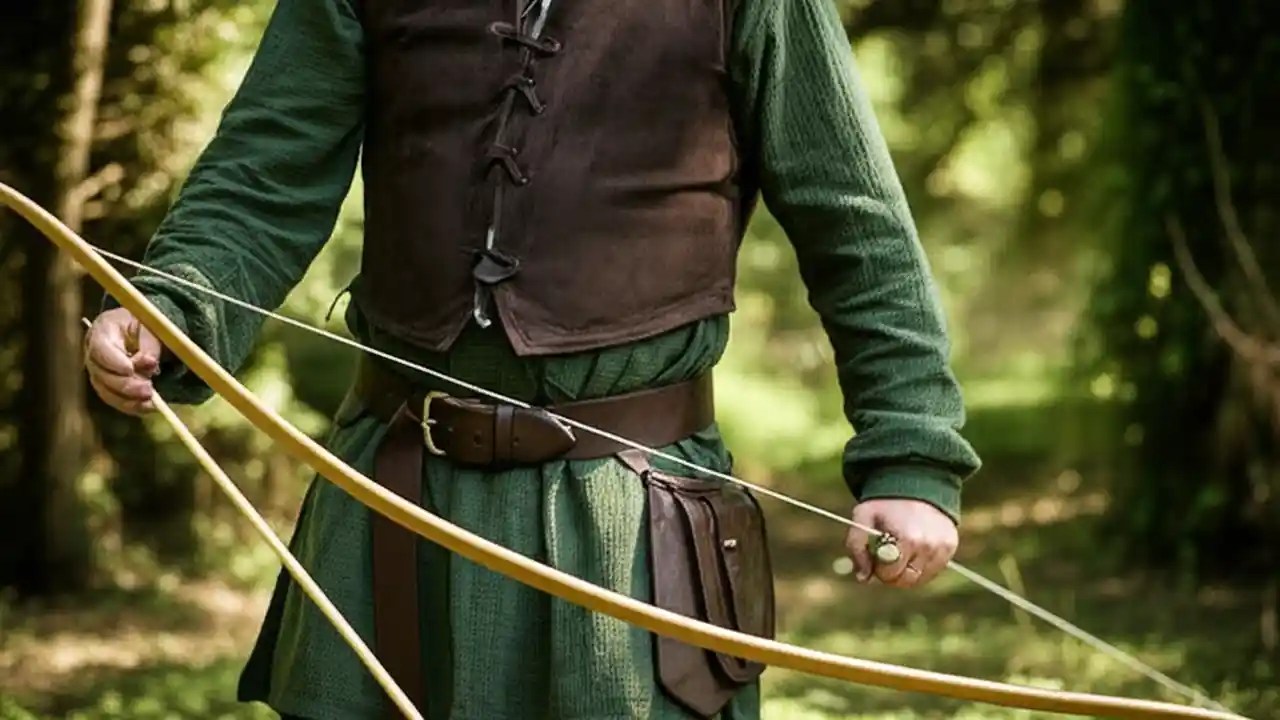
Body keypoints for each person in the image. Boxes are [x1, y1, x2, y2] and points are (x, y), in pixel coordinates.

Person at [83, 0, 981, 718]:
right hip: (392, 492)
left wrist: (910, 453)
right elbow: (261, 177)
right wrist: (173, 308)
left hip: (632, 515)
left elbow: (853, 222)